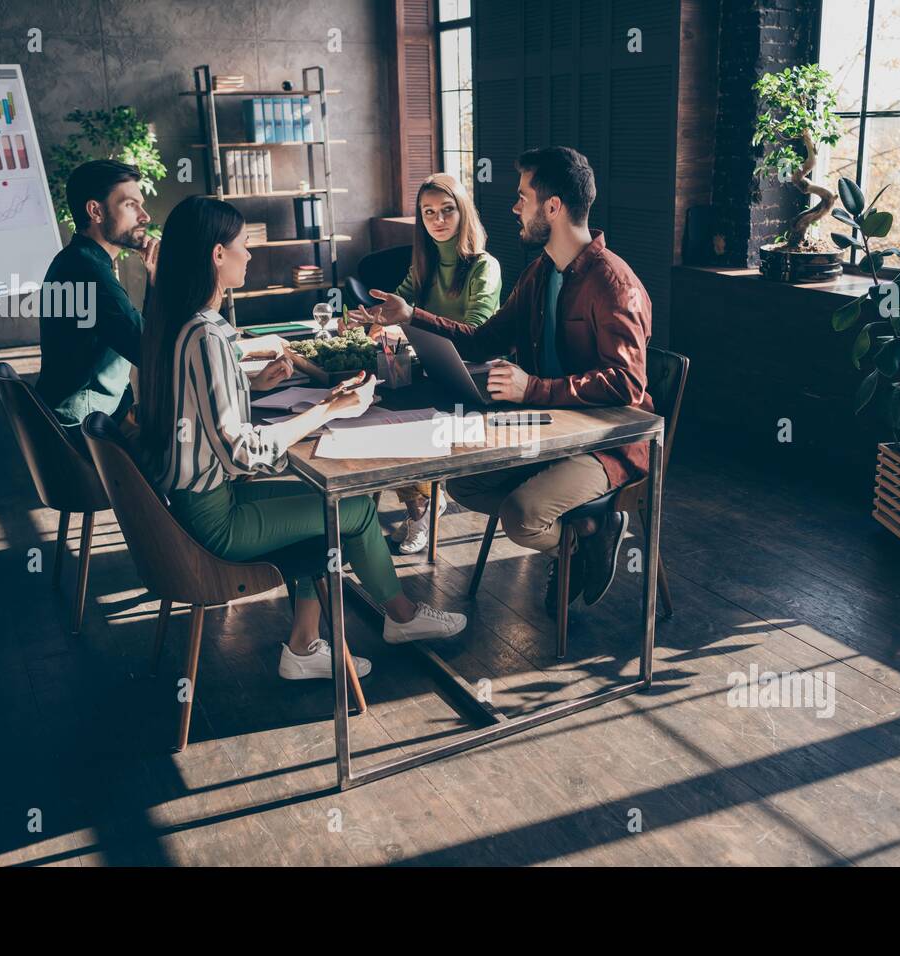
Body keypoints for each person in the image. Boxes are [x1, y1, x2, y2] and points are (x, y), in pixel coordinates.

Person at [138, 196, 467, 683]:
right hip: (213, 522)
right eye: (243, 246)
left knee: (324, 496)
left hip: (191, 505)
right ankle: (400, 618)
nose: (249, 255)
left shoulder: (181, 324)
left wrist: (249, 385)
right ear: (216, 255)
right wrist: (326, 409)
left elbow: (194, 399)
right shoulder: (207, 335)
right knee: (352, 507)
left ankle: (307, 644)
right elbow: (241, 451)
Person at [350, 147, 653, 617]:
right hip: (547, 428)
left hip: (607, 443)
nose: (514, 207)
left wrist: (531, 388)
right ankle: (581, 534)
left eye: (522, 197)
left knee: (522, 516)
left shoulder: (614, 283)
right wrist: (413, 316)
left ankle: (591, 532)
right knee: (462, 486)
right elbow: (482, 339)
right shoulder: (540, 273)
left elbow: (627, 385)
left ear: (552, 207)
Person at [380, 173, 501, 554]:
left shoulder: (485, 266)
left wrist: (409, 316)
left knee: (402, 417)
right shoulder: (424, 264)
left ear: (463, 212)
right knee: (382, 409)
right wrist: (369, 320)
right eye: (428, 212)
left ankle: (422, 508)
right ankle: (420, 502)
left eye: (447, 210)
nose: (438, 220)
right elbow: (395, 308)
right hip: (437, 372)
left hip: (477, 382)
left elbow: (476, 332)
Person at [36, 160, 158, 448]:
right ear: (96, 211)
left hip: (92, 421)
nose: (145, 216)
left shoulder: (77, 261)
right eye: (131, 205)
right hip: (90, 433)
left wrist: (153, 279)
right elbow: (151, 351)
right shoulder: (87, 272)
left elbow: (142, 339)